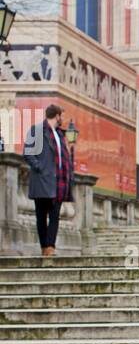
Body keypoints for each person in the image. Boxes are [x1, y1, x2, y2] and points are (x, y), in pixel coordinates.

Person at [23, 103, 74, 259]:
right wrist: (40, 168)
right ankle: (44, 246)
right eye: (62, 116)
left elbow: (65, 158)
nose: (63, 119)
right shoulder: (37, 130)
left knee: (55, 216)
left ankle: (51, 246)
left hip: (58, 183)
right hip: (41, 181)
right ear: (56, 116)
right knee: (41, 216)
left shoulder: (60, 135)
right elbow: (28, 153)